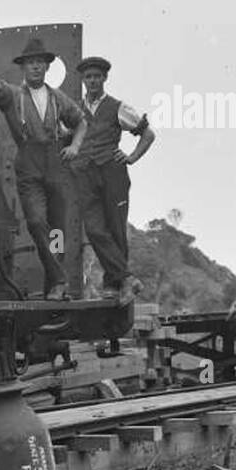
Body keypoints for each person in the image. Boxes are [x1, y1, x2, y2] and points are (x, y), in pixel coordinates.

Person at [0, 38, 88, 300]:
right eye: (30, 63)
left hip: (55, 166)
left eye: (40, 63)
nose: (35, 67)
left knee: (58, 229)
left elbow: (81, 122)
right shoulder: (14, 95)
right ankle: (60, 279)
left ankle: (55, 287)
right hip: (29, 164)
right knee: (37, 221)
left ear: (47, 67)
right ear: (23, 68)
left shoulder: (57, 97)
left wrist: (75, 147)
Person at [75, 56, 155, 303]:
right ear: (83, 80)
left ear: (105, 78)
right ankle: (128, 279)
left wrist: (131, 157)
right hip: (85, 174)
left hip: (113, 173)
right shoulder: (74, 108)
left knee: (117, 229)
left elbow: (148, 134)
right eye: (88, 77)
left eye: (97, 76)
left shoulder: (117, 107)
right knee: (95, 229)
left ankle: (113, 284)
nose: (93, 81)